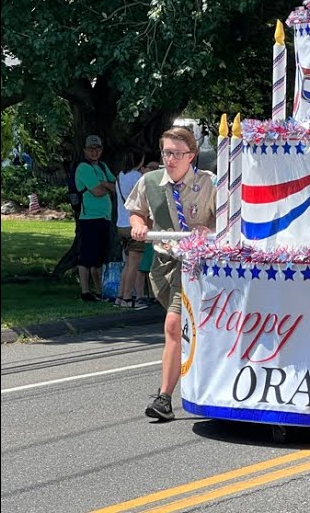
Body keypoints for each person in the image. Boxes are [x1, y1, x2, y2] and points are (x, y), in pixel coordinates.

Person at [126, 127, 216, 421]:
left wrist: (210, 230)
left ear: (191, 155)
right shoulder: (149, 182)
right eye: (166, 152)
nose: (170, 159)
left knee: (173, 326)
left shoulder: (210, 183)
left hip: (197, 266)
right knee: (188, 330)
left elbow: (231, 220)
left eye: (177, 153)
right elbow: (137, 211)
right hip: (163, 265)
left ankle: (164, 399)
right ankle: (206, 380)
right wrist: (138, 223)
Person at [75, 134, 117, 302]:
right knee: (86, 255)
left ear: (101, 150)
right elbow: (97, 192)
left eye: (97, 149)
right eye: (91, 149)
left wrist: (104, 183)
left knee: (98, 257)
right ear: (85, 150)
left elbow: (116, 186)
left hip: (104, 217)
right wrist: (106, 185)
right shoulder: (83, 168)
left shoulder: (103, 166)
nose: (94, 152)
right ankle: (85, 291)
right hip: (89, 218)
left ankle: (99, 291)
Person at [113, 152, 149, 310]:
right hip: (134, 224)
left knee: (127, 264)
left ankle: (120, 297)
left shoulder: (120, 176)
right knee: (134, 264)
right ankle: (128, 298)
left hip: (121, 224)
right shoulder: (138, 177)